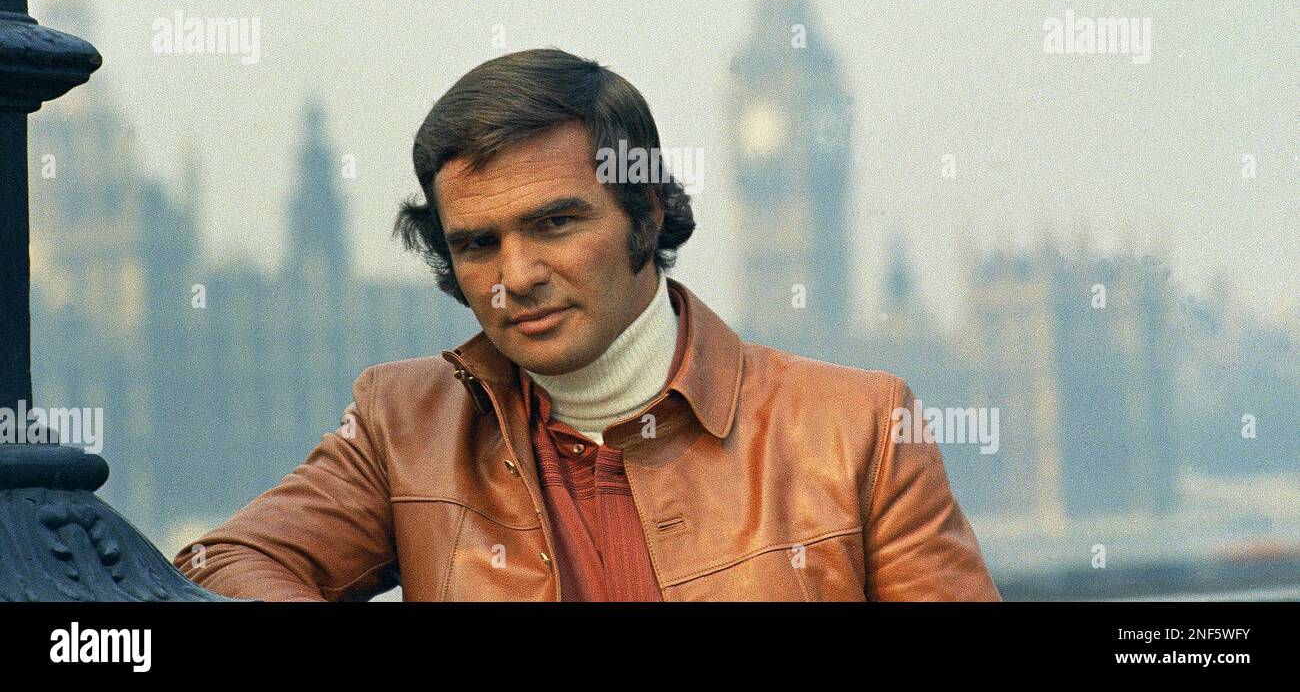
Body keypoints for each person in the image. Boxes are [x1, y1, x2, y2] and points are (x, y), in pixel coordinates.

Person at [172, 48, 1000, 601]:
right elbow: (219, 565)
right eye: (477, 244)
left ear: (646, 212)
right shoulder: (405, 423)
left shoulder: (854, 429)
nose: (518, 275)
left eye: (557, 223)